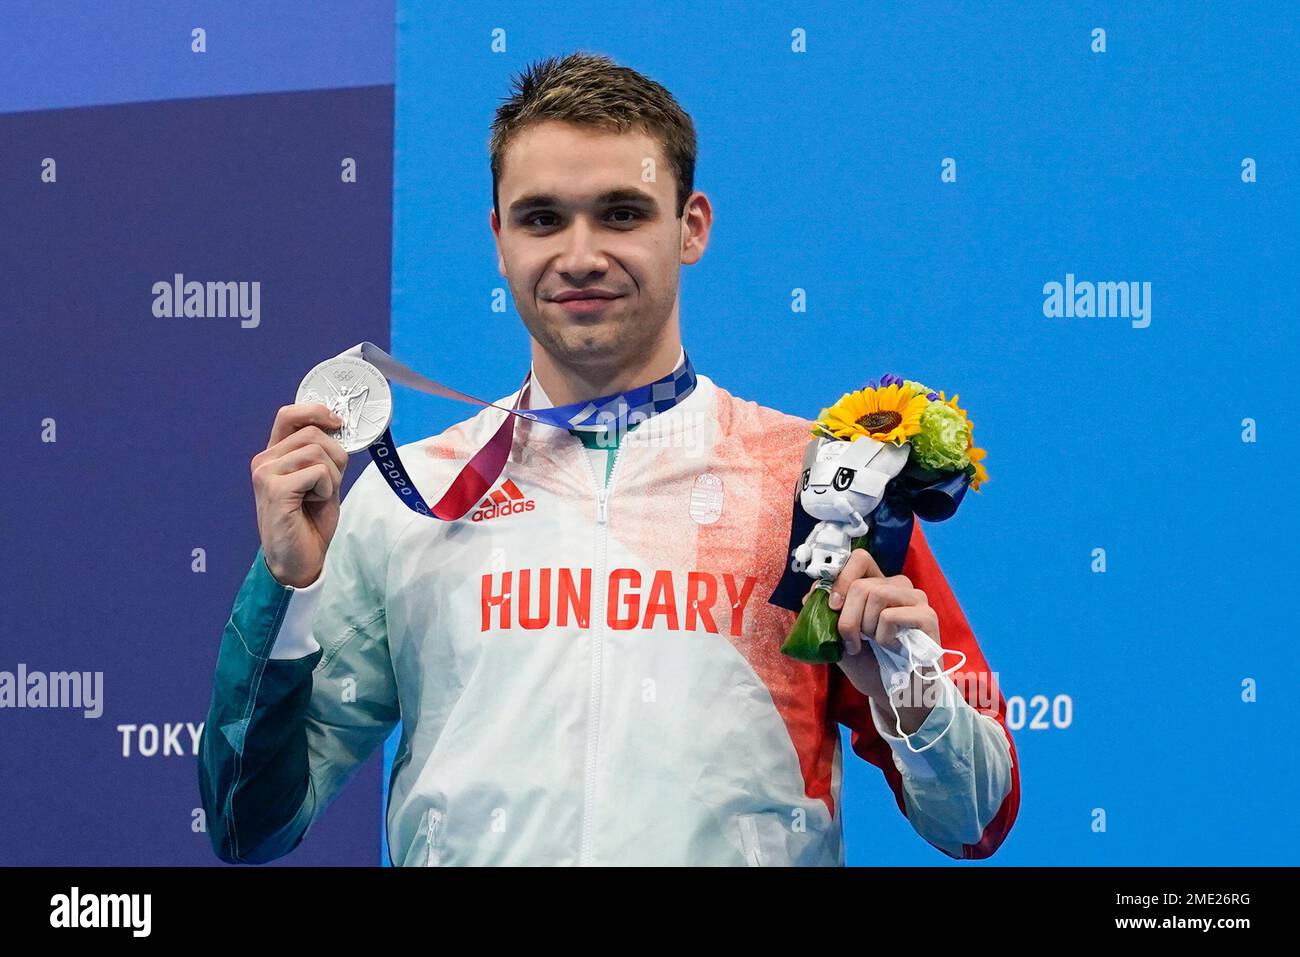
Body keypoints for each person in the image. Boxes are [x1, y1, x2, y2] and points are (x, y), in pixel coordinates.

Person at [197, 51, 1020, 866]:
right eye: (542, 217)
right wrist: (290, 590)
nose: (581, 253)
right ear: (498, 238)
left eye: (622, 213)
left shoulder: (823, 482)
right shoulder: (412, 495)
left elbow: (977, 819)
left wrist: (909, 687)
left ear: (690, 226)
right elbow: (249, 822)